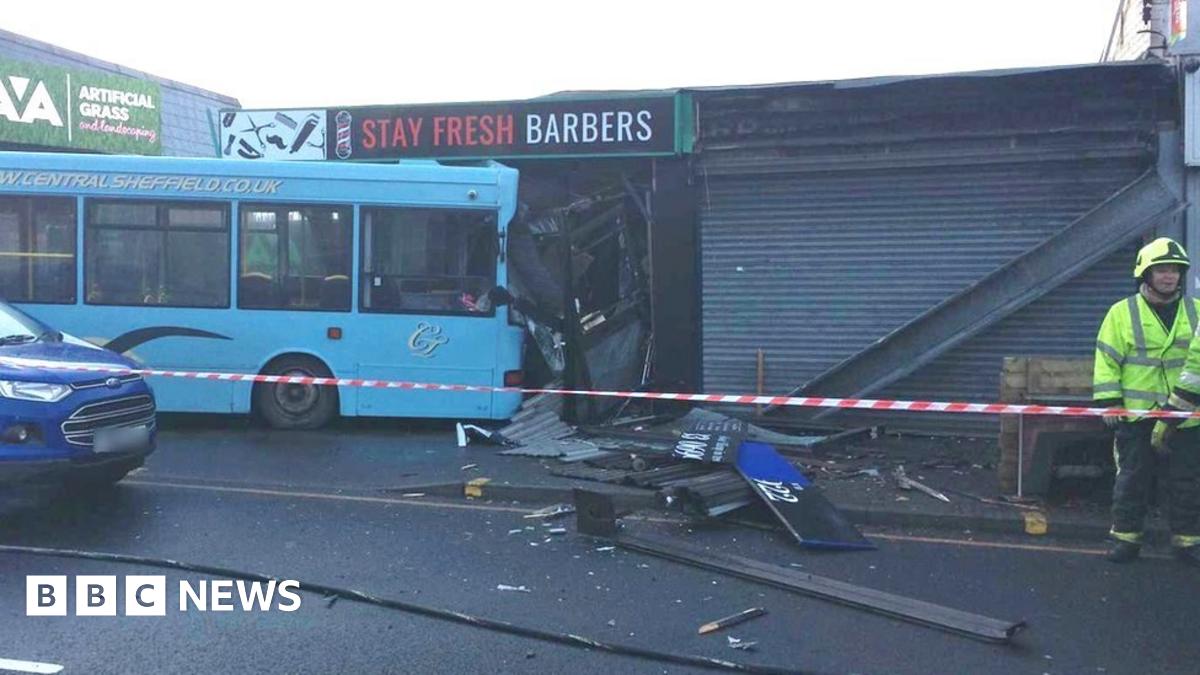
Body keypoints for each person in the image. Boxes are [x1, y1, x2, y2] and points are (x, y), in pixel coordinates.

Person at [1093, 237, 1200, 565]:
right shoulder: (1121, 312)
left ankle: (1187, 543)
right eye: (1162, 270)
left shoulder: (1196, 310)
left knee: (1187, 482)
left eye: (1175, 270)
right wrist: (1110, 401)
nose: (1169, 276)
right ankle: (1126, 540)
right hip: (1137, 415)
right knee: (1132, 480)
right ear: (1146, 274)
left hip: (1185, 416)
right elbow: (1107, 358)